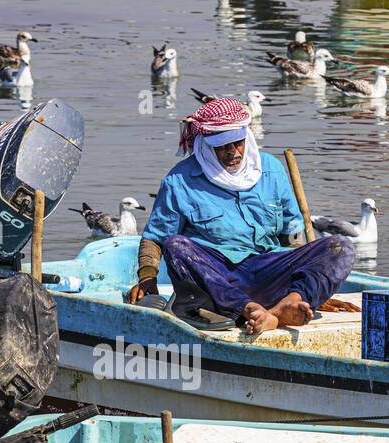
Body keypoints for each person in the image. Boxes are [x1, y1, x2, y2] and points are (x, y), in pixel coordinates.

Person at [128, 98, 356, 334]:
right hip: (217, 280)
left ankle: (284, 308)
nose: (232, 152)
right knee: (176, 246)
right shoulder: (180, 180)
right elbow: (155, 238)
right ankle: (250, 310)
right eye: (222, 147)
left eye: (238, 144)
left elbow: (293, 239)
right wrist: (147, 279)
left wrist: (310, 289)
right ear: (206, 145)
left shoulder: (270, 168)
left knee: (341, 247)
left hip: (268, 270)